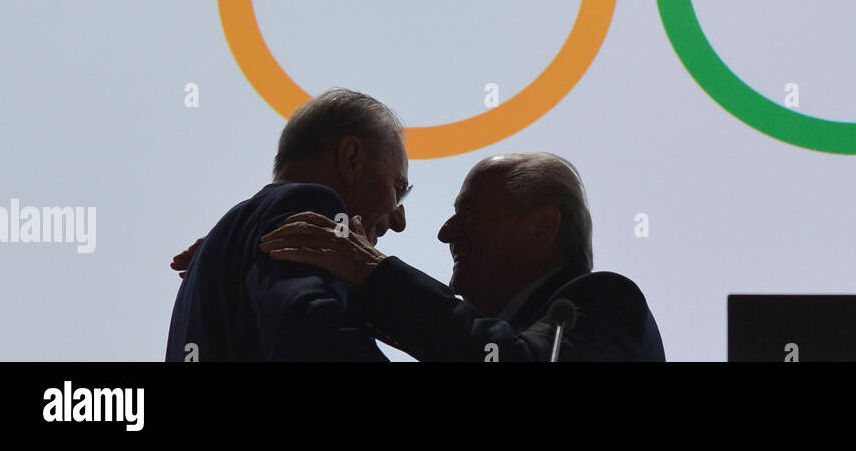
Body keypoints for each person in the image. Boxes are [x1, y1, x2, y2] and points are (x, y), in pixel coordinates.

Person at [259, 152, 665, 361]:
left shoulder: (610, 301)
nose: (444, 232)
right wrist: (257, 256)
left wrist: (374, 273)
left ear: (541, 226)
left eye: (468, 214)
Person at [165, 88, 410, 361]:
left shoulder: (224, 244)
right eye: (397, 188)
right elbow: (309, 326)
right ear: (351, 159)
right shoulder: (311, 204)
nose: (399, 221)